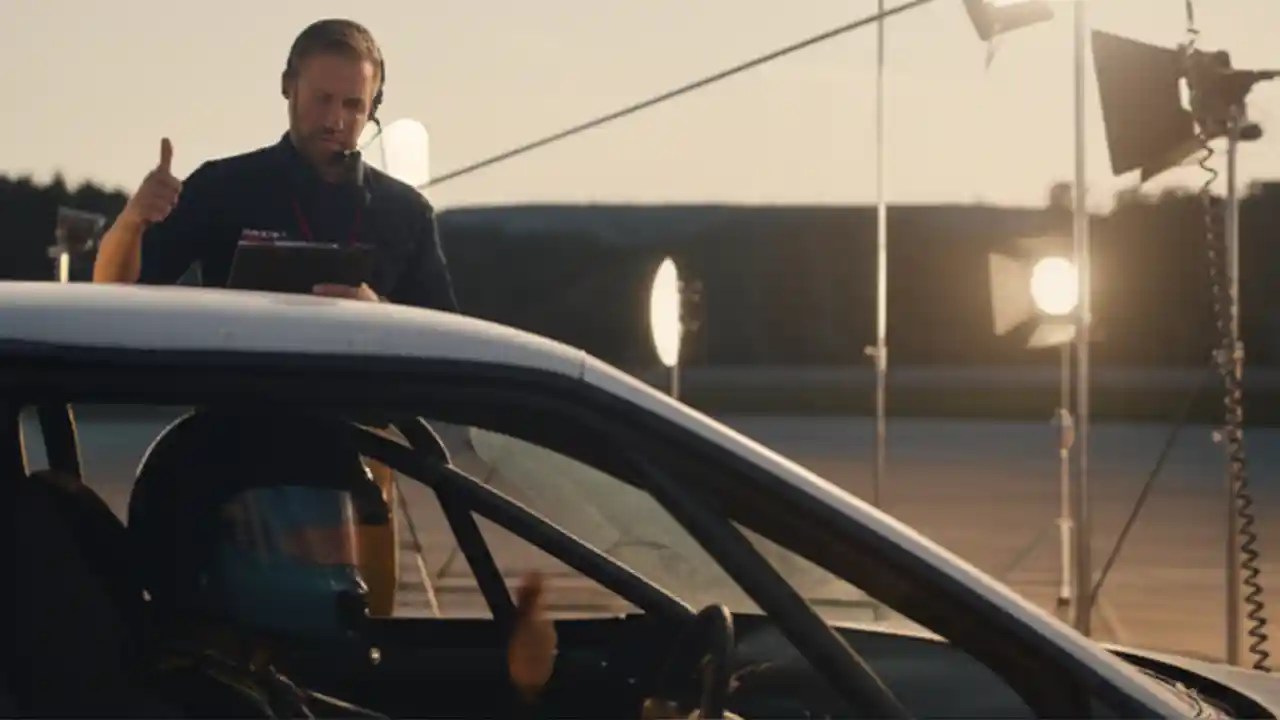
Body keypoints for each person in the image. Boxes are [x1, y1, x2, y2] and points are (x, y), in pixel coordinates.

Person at [93, 18, 459, 614]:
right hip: (226, 465)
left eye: (353, 105)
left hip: (354, 475)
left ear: (374, 109)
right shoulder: (225, 186)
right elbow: (112, 293)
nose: (336, 119)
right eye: (321, 99)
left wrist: (378, 313)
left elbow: (448, 349)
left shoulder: (405, 214)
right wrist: (133, 220)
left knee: (350, 660)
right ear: (288, 88)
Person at [128, 410, 556, 718]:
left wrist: (519, 688)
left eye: (342, 536)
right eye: (316, 541)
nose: (343, 563)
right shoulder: (204, 703)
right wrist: (524, 697)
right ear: (207, 542)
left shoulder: (246, 677)